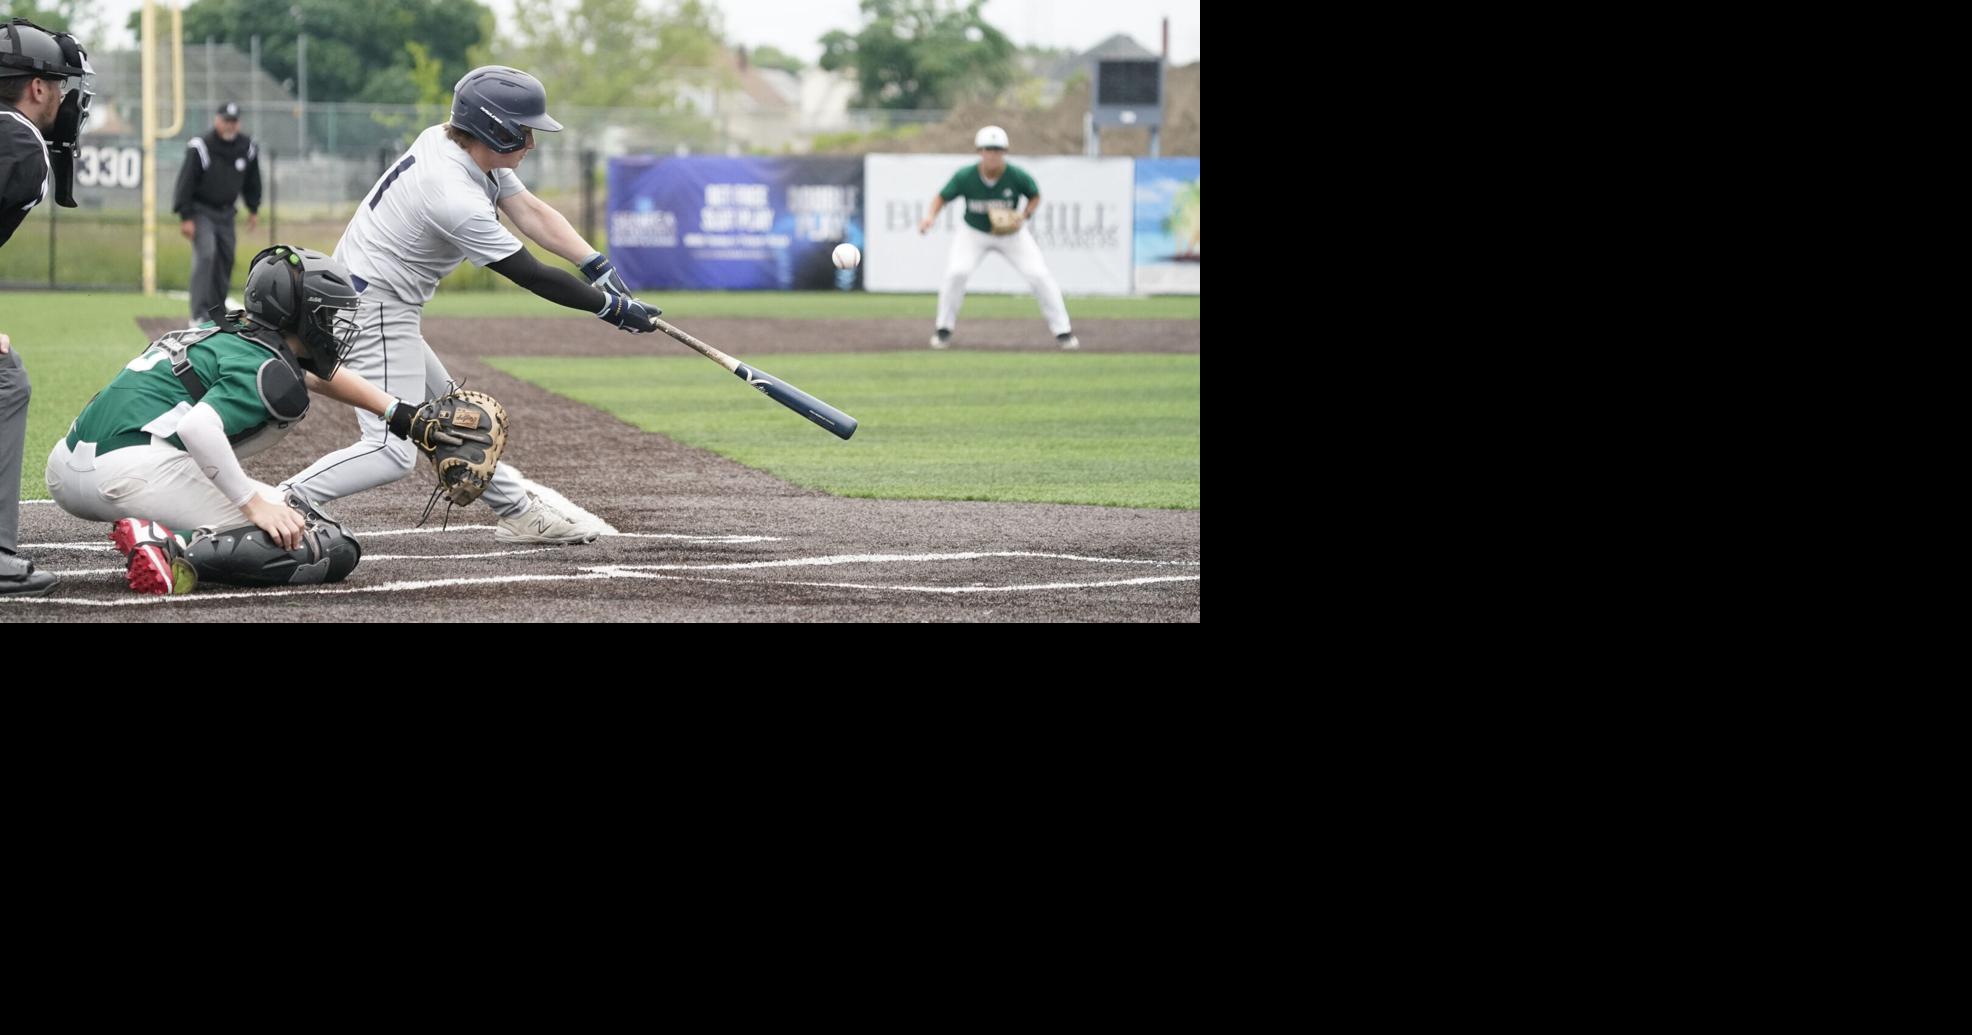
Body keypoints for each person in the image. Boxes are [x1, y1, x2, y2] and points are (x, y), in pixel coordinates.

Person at [281, 64, 660, 544]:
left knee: (453, 421)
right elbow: (531, 274)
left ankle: (518, 512)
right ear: (495, 129)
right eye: (524, 131)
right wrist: (609, 308)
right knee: (390, 451)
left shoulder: (458, 147)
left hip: (376, 303)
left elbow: (531, 212)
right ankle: (284, 499)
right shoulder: (453, 195)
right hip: (372, 307)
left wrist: (596, 264)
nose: (532, 143)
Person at [45, 245, 454, 595]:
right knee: (323, 541)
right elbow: (197, 428)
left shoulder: (233, 330)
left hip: (68, 467)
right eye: (326, 314)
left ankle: (167, 538)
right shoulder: (265, 365)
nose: (333, 325)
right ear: (300, 316)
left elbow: (311, 375)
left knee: (290, 519)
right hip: (129, 473)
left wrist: (399, 412)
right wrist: (253, 505)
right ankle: (171, 547)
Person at [0, 17, 92, 598]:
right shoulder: (18, 141)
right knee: (5, 382)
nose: (65, 97)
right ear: (37, 87)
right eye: (59, 84)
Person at [917, 125, 1078, 351]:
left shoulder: (1016, 175)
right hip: (974, 232)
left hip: (1011, 234)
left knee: (1038, 275)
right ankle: (943, 329)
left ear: (1005, 152)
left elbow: (1034, 195)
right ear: (979, 152)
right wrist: (930, 217)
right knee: (957, 272)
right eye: (988, 149)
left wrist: (1024, 215)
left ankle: (1063, 331)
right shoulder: (966, 176)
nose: (993, 155)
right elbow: (941, 197)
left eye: (997, 150)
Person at [173, 101, 262, 326]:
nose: (230, 125)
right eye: (226, 121)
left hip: (227, 213)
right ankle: (198, 313)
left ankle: (217, 311)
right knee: (206, 254)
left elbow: (253, 181)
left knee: (226, 258)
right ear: (217, 120)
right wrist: (185, 216)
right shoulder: (201, 146)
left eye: (234, 121)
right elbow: (186, 182)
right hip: (202, 211)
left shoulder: (247, 147)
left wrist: (253, 208)